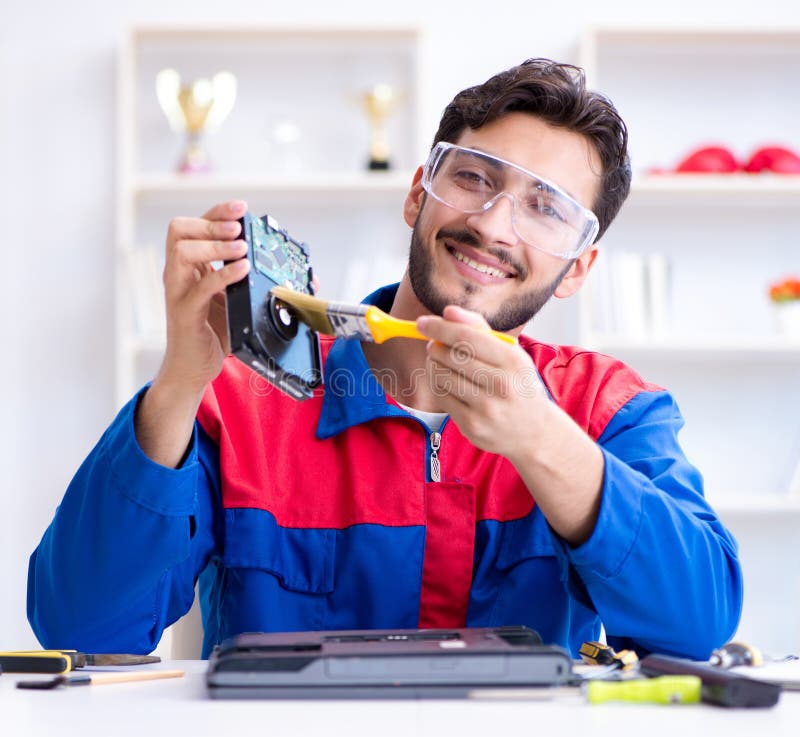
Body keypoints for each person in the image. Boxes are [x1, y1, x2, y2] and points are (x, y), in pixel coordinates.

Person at [28, 59, 742, 660]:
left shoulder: (607, 409)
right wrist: (181, 380)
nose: (493, 223)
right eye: (475, 177)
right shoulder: (237, 405)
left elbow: (697, 623)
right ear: (416, 194)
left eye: (546, 208)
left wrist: (542, 439)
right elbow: (79, 628)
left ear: (579, 269)